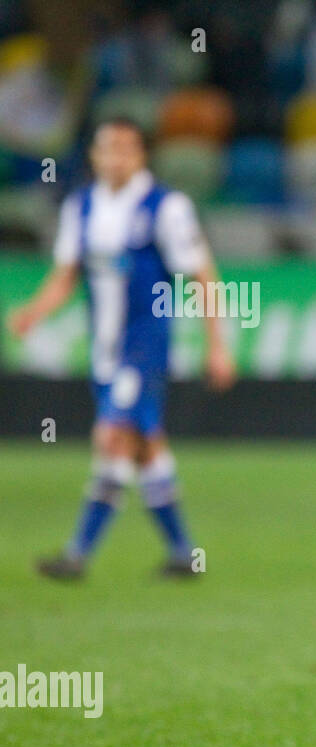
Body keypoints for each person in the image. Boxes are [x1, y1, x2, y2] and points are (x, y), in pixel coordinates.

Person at [9, 117, 235, 580]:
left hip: (145, 347)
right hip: (104, 351)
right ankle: (182, 553)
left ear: (141, 155)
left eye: (126, 149)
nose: (116, 157)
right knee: (145, 448)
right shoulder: (81, 207)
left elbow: (201, 276)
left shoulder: (166, 207)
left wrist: (218, 344)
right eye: (108, 148)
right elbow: (66, 275)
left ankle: (77, 555)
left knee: (112, 435)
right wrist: (34, 311)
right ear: (94, 155)